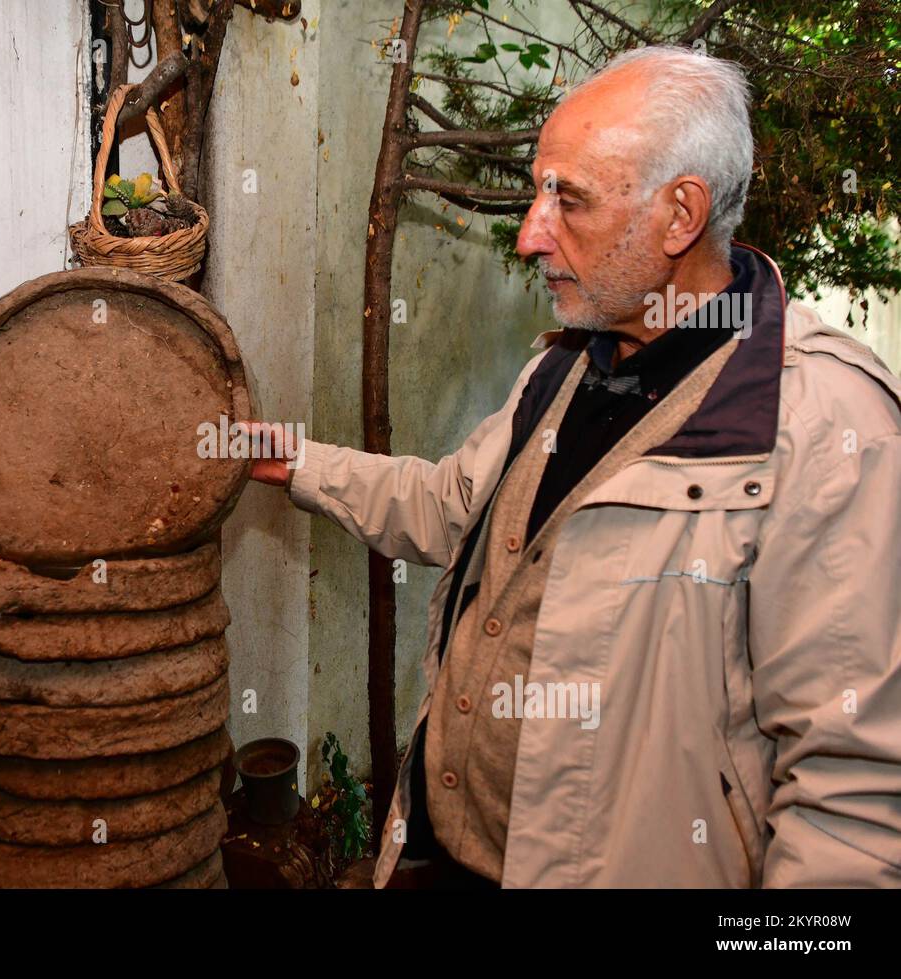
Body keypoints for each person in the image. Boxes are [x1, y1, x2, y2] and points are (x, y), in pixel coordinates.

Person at [248, 45, 901, 888]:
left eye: (570, 201)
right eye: (535, 192)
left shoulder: (824, 426)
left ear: (680, 215)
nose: (530, 235)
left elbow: (854, 800)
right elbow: (456, 506)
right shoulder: (565, 366)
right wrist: (298, 462)